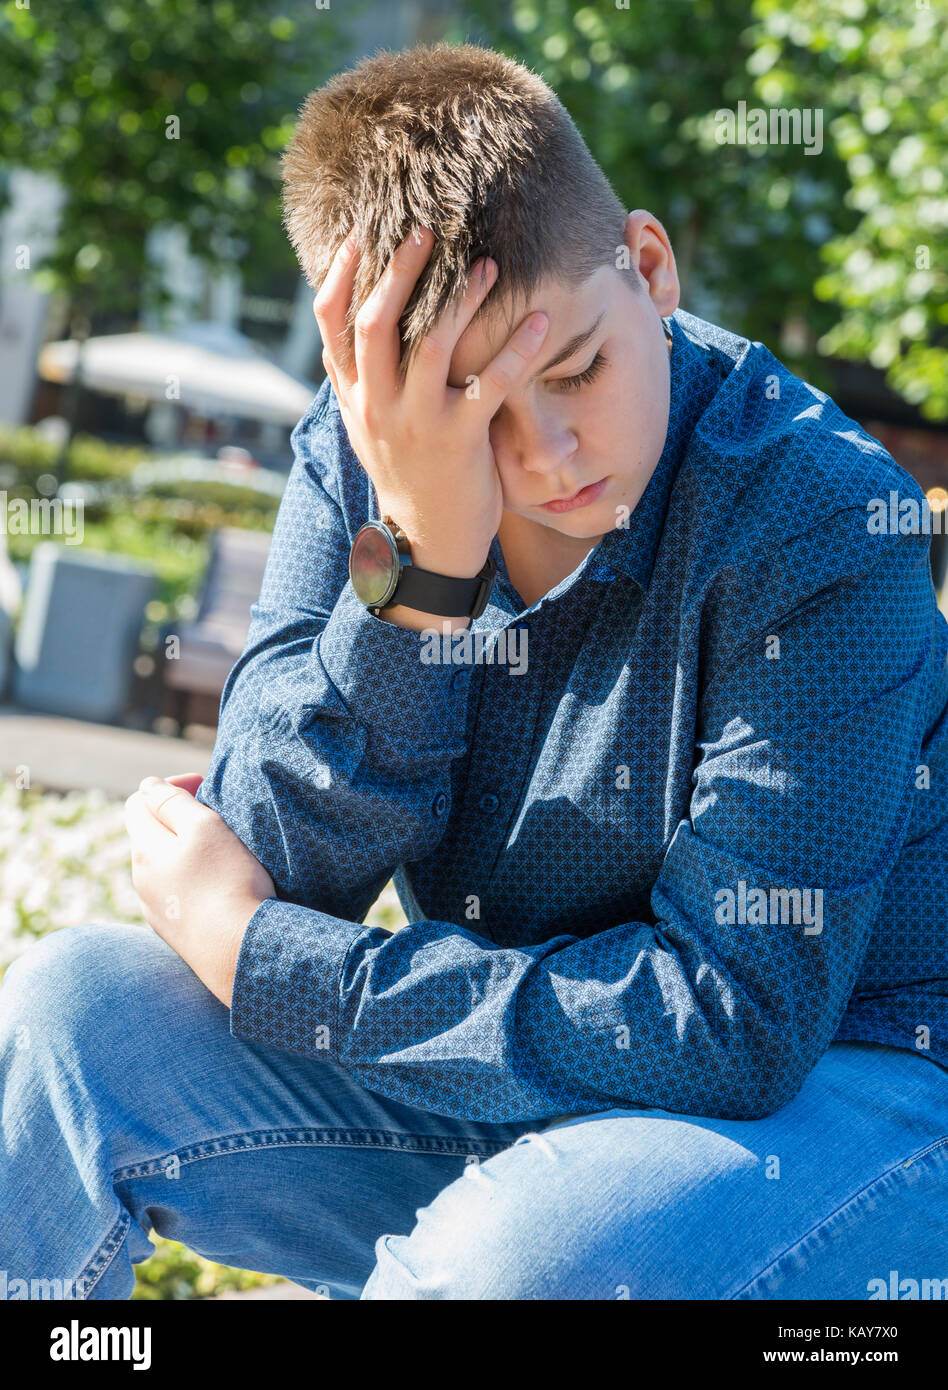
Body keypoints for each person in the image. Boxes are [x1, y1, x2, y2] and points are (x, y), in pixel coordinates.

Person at [1, 42, 946, 1303]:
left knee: (513, 1263)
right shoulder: (369, 454)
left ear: (651, 270)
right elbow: (285, 861)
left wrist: (271, 961)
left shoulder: (822, 521)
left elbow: (735, 1021)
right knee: (76, 1018)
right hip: (508, 1074)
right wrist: (427, 576)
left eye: (576, 372)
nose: (548, 455)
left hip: (846, 1092)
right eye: (475, 416)